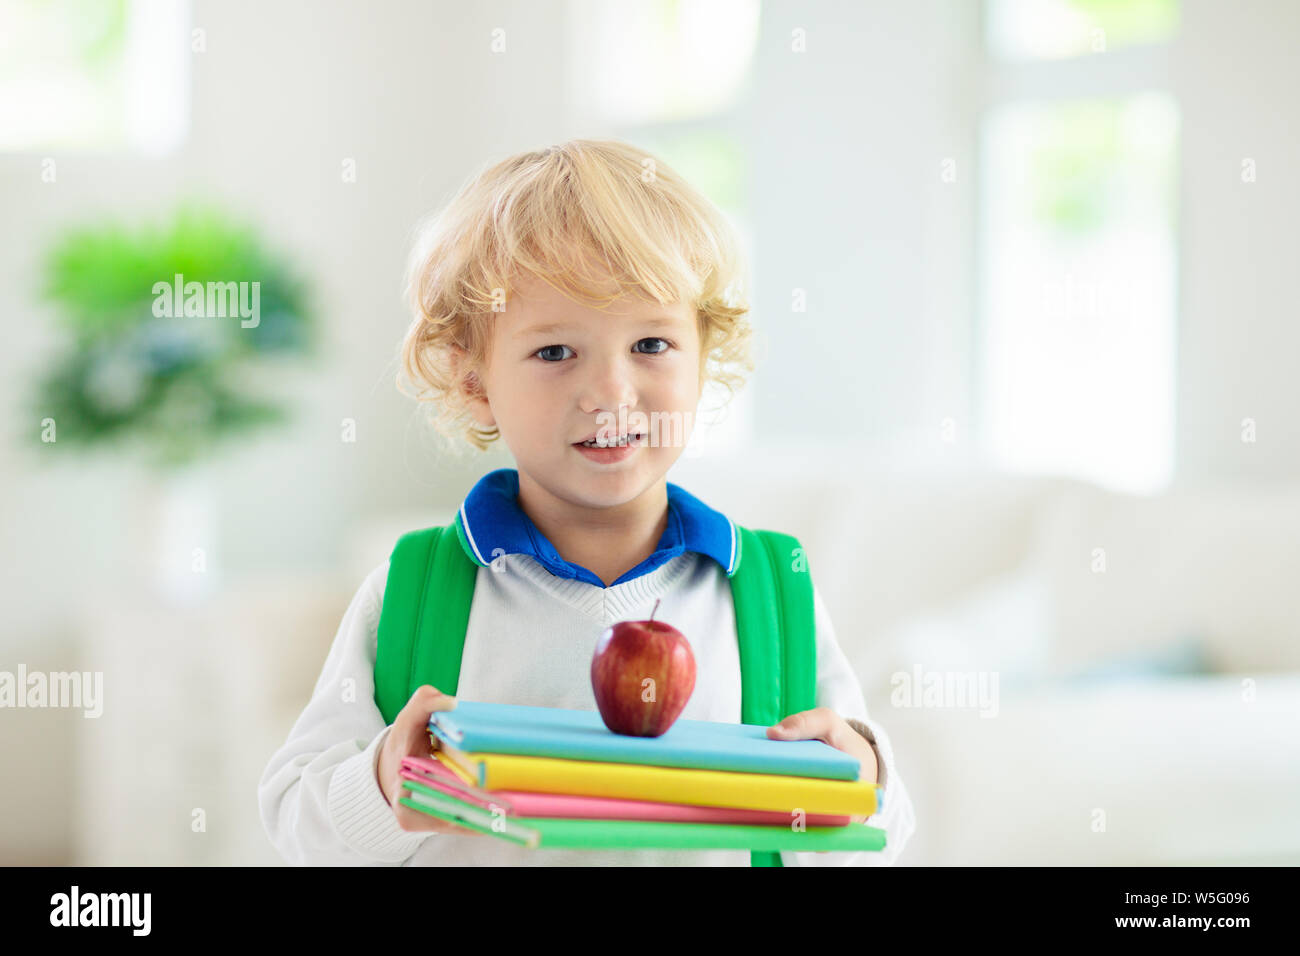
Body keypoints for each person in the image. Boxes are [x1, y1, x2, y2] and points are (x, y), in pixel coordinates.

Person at [258, 139, 916, 866]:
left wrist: (864, 774)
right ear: (476, 382)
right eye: (555, 352)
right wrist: (383, 780)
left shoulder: (768, 589)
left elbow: (874, 839)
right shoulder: (417, 588)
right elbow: (297, 821)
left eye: (651, 344)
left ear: (705, 359)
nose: (610, 392)